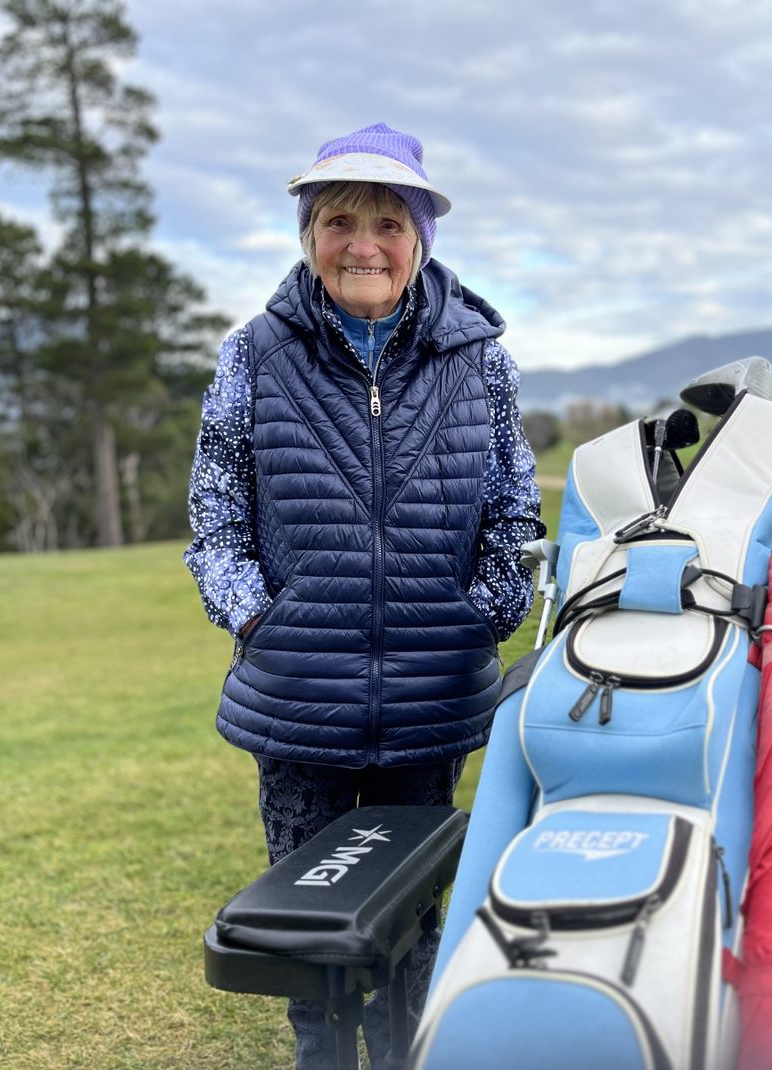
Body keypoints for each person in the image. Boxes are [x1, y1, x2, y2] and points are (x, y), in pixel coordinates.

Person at [183, 122, 544, 1067]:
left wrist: (488, 608)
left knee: (415, 920)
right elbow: (216, 518)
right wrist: (255, 614)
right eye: (339, 219)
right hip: (298, 696)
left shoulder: (481, 361)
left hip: (433, 694)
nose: (363, 244)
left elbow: (514, 508)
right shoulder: (253, 354)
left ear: (422, 236)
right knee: (305, 927)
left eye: (388, 219)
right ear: (309, 235)